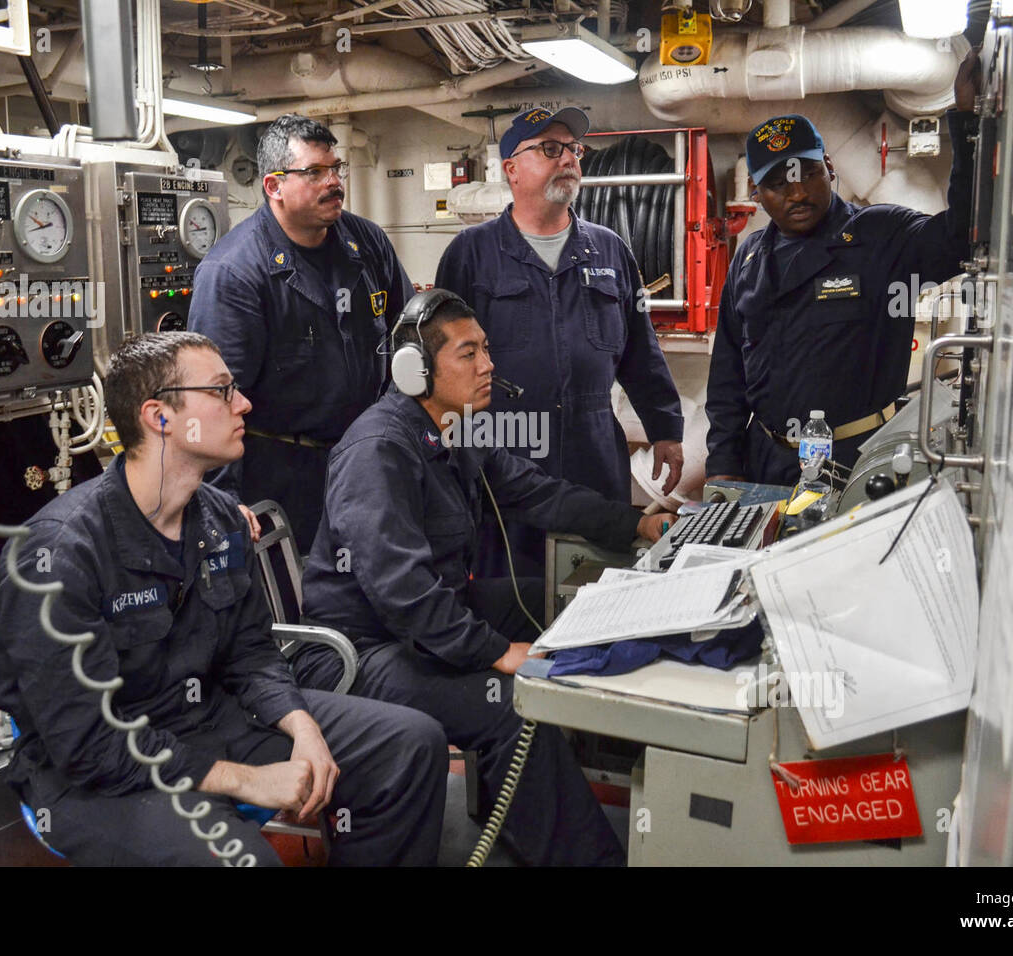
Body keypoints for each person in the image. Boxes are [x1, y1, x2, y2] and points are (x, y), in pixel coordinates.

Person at [0, 332, 447, 866]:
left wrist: (305, 729)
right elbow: (86, 744)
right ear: (159, 416)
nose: (245, 404)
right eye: (223, 391)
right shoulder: (58, 553)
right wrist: (248, 780)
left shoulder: (222, 518)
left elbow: (252, 653)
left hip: (209, 718)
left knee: (410, 743)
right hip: (99, 776)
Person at [295, 290, 676, 866]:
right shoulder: (378, 450)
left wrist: (636, 523)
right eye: (468, 353)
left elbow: (537, 493)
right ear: (414, 371)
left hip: (425, 622)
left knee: (561, 603)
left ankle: (536, 810)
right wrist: (495, 653)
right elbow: (404, 593)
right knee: (510, 703)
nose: (488, 366)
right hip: (364, 649)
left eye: (487, 351)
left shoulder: (458, 430)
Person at [704, 49, 982, 486]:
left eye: (807, 174)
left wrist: (968, 122)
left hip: (854, 462)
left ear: (829, 169)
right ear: (756, 193)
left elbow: (963, 235)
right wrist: (722, 465)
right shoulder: (750, 258)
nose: (796, 194)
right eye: (778, 184)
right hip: (765, 462)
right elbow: (727, 375)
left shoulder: (881, 234)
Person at [434, 107, 684, 576]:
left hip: (594, 450)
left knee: (599, 576)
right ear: (510, 169)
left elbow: (639, 351)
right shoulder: (471, 254)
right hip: (507, 450)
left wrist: (665, 428)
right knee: (512, 584)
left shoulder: (609, 249)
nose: (567, 158)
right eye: (550, 149)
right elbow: (444, 362)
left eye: (573, 149)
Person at [189, 114, 413, 552]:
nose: (334, 182)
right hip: (284, 477)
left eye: (335, 168)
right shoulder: (234, 274)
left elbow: (409, 337)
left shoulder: (365, 243)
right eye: (314, 172)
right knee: (300, 599)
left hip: (368, 460)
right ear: (274, 186)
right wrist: (221, 503)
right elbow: (212, 399)